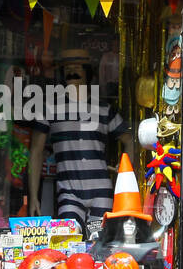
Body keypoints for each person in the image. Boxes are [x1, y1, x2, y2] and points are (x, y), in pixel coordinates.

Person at [27, 48, 135, 227]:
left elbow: (129, 140)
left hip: (101, 191)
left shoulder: (103, 109)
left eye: (77, 67)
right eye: (68, 68)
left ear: (87, 71)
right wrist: (33, 197)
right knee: (70, 243)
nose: (72, 72)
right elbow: (36, 152)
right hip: (69, 193)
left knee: (98, 244)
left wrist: (124, 170)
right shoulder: (49, 108)